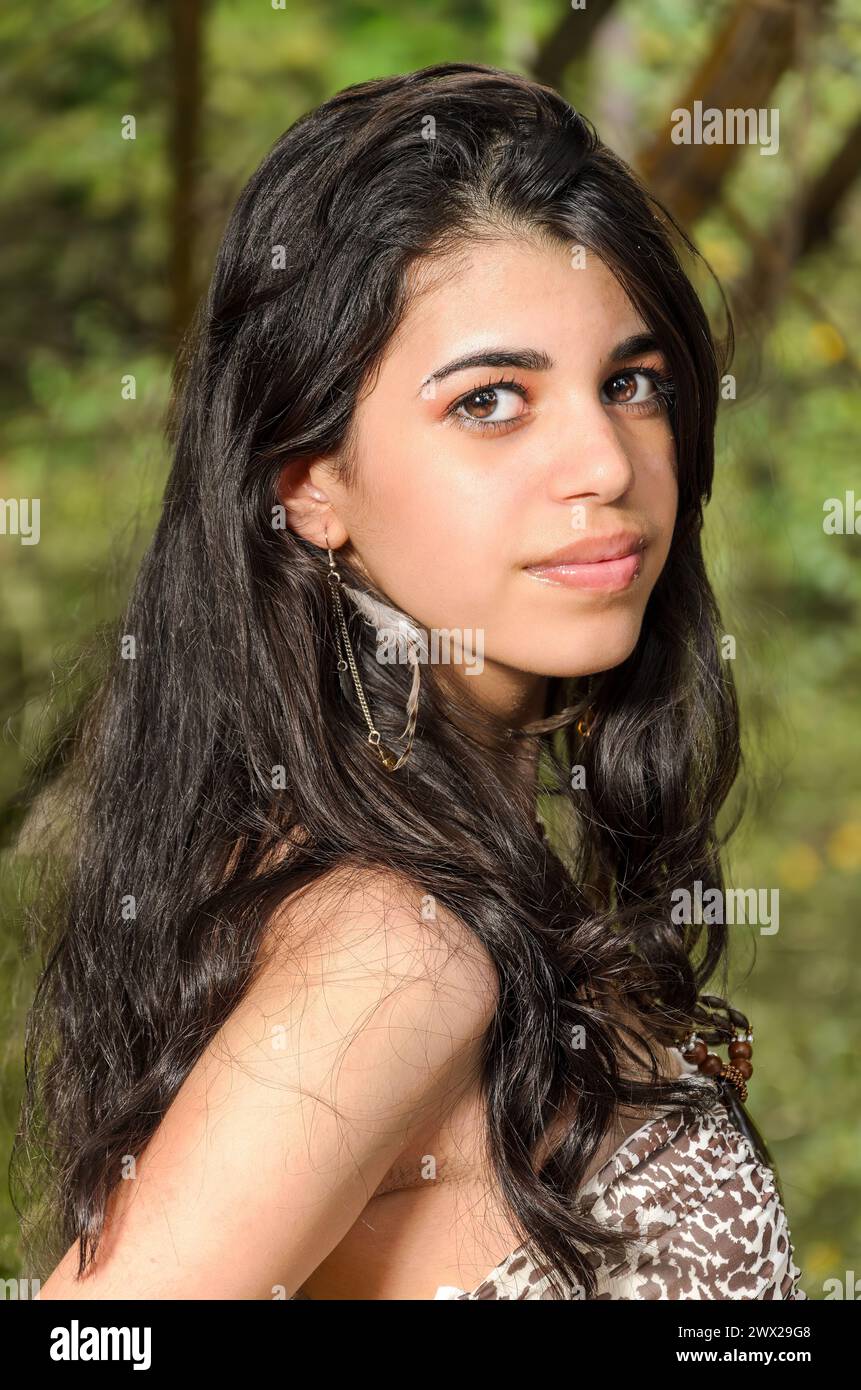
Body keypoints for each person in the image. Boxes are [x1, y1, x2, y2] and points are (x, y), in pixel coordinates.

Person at [18, 61, 804, 1300]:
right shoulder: (396, 946)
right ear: (309, 485)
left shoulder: (460, 872)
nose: (603, 459)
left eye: (630, 383)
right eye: (492, 400)